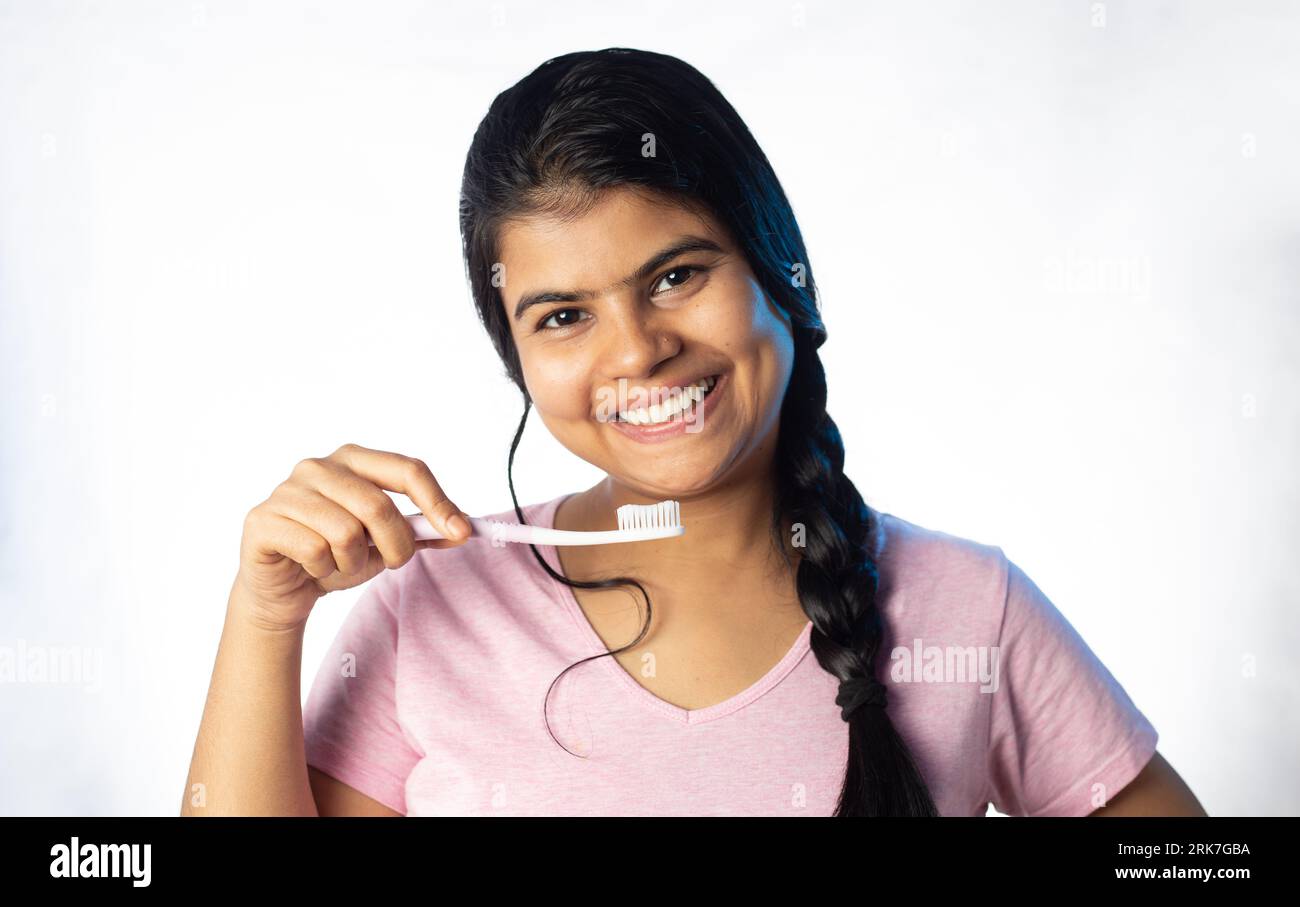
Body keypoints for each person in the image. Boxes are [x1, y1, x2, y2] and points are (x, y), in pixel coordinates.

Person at [181, 47, 1205, 817]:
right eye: (564, 316)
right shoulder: (428, 612)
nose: (637, 351)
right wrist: (265, 615)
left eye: (676, 274)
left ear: (777, 272)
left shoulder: (967, 608)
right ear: (518, 359)